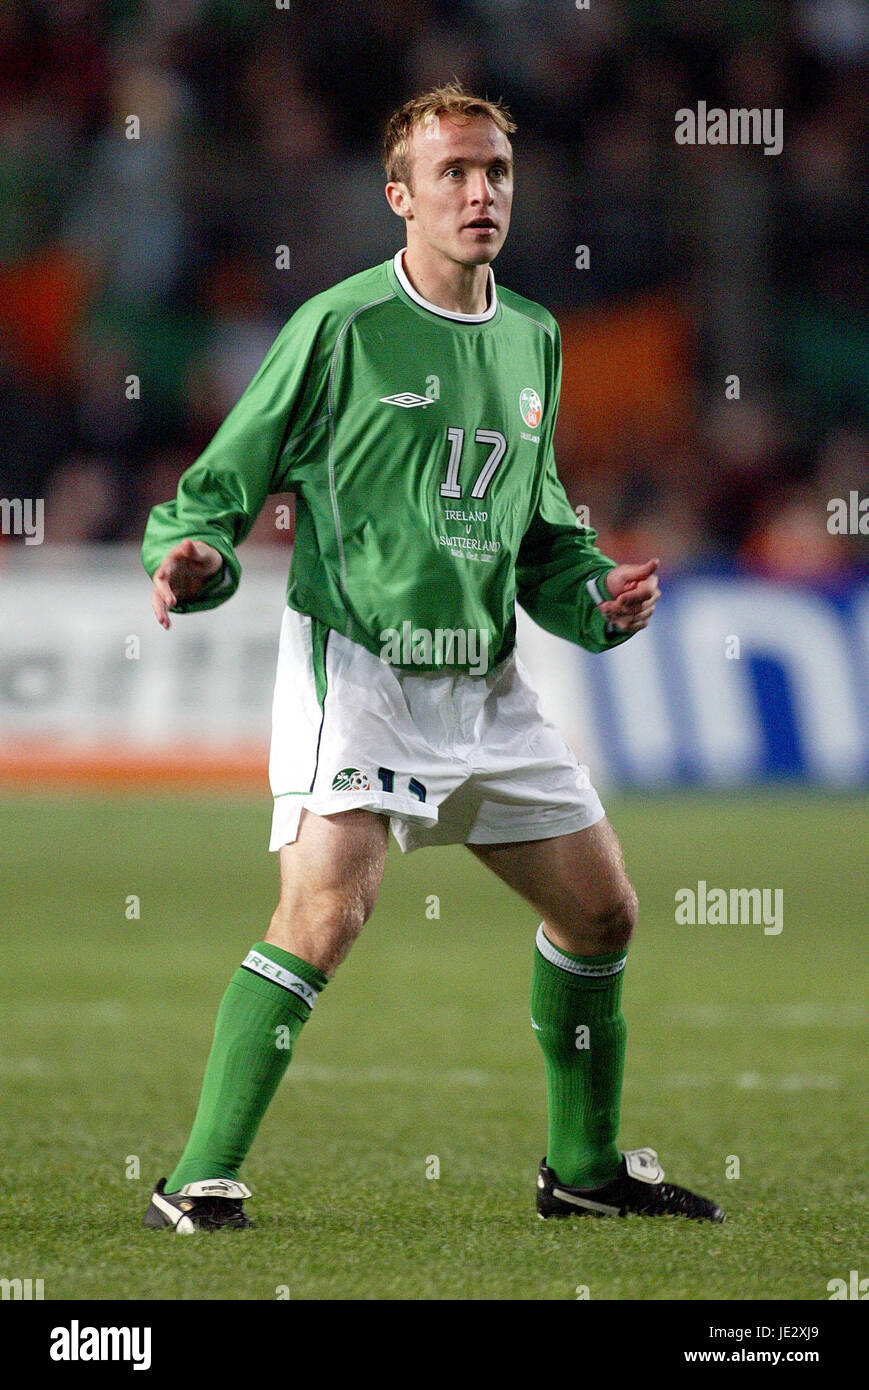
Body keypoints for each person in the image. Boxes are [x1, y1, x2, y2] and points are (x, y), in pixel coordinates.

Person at [141, 81, 723, 1232]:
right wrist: (193, 554)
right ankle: (194, 1179)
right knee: (322, 916)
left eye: (496, 171)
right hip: (358, 671)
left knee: (603, 914)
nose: (479, 192)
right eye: (453, 173)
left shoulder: (535, 337)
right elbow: (220, 484)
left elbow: (540, 531)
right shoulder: (341, 327)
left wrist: (593, 593)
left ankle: (584, 1170)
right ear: (398, 196)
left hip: (487, 683)